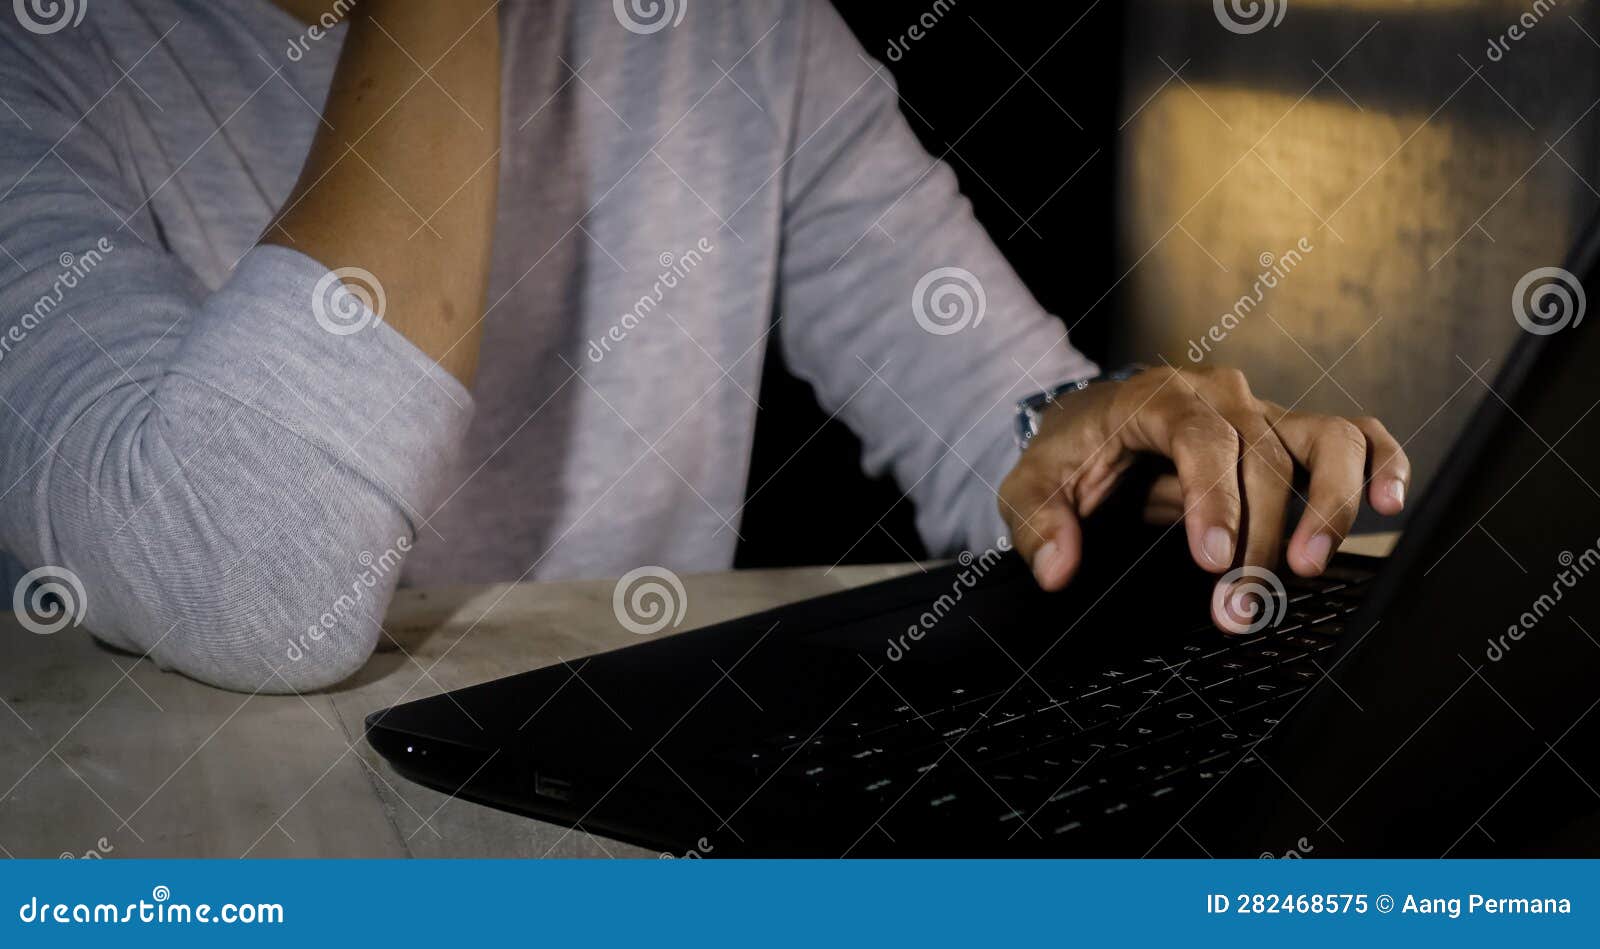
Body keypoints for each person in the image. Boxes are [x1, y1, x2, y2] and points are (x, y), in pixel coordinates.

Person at [0, 0, 1407, 692]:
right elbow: (251, 583)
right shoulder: (40, 56)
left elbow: (998, 423)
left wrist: (1155, 472)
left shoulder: (730, 24)